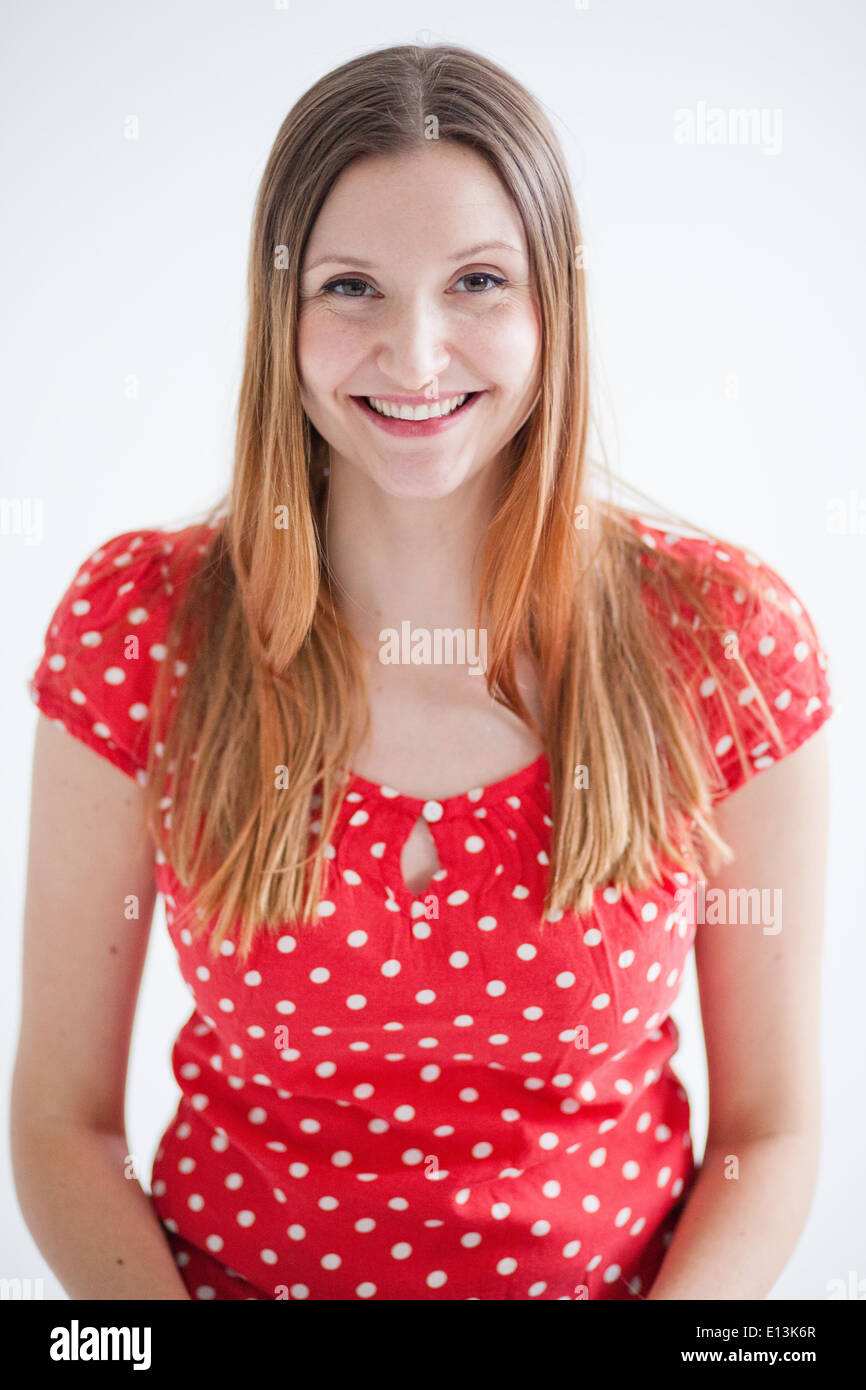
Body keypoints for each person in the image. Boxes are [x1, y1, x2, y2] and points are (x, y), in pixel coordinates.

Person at [13, 43, 833, 1302]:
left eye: (476, 283)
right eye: (351, 286)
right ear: (278, 311)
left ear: (550, 304)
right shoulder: (142, 628)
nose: (412, 352)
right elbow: (62, 1121)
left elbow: (766, 1133)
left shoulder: (722, 639)